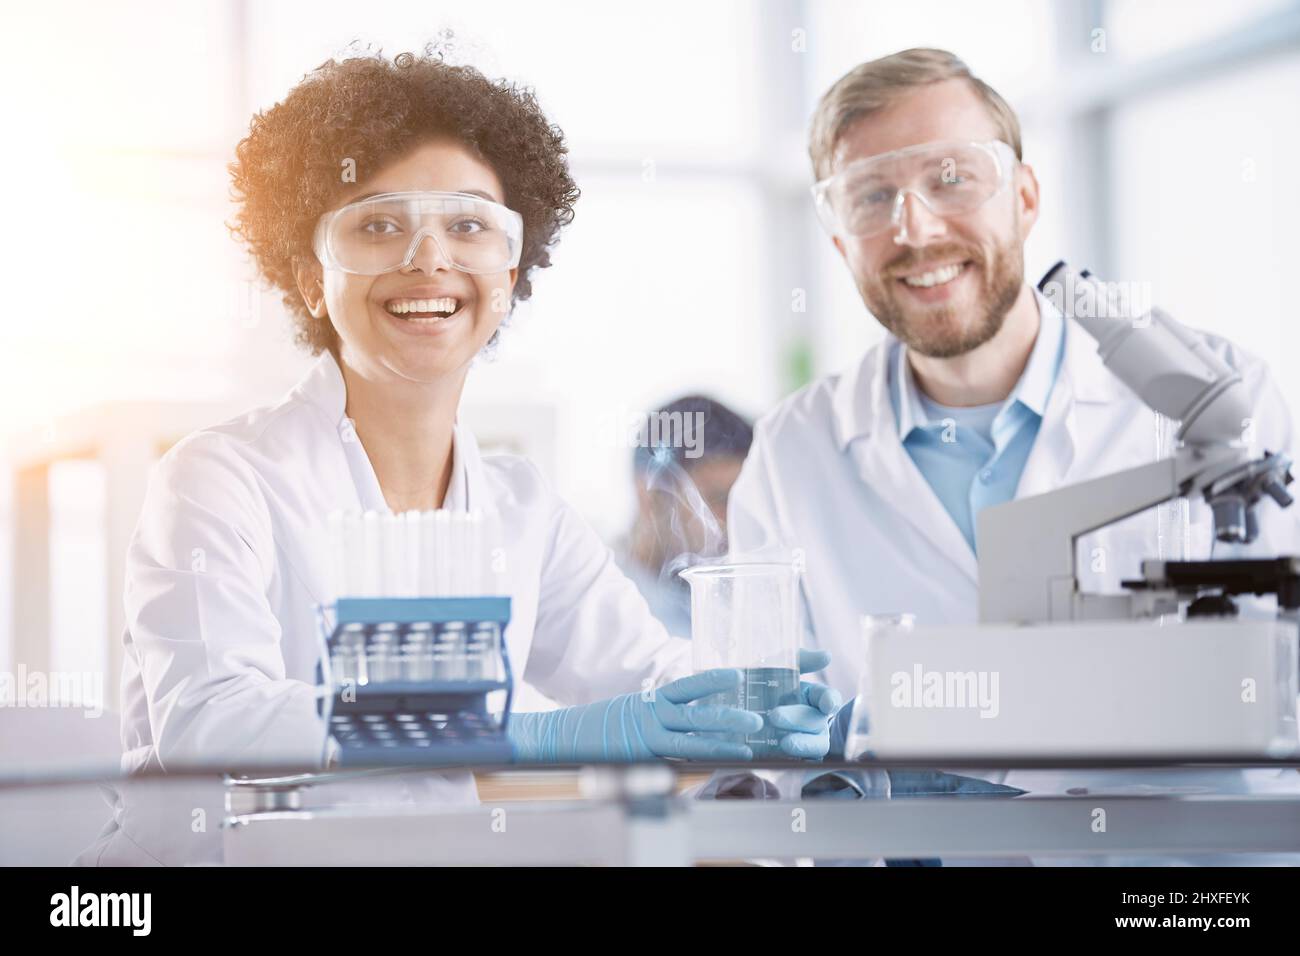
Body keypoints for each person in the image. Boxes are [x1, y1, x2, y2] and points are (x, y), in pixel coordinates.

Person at [79, 48, 836, 865]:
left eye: (468, 224)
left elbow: (644, 679)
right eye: (378, 224)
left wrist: (749, 703)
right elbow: (214, 721)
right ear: (307, 277)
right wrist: (516, 733)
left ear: (510, 269)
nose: (429, 258)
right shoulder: (220, 478)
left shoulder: (520, 507)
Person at [727, 48, 1300, 853]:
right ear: (836, 240)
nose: (915, 228)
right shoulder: (795, 452)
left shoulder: (1216, 394)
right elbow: (775, 750)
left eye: (952, 178)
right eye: (872, 196)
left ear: (1025, 198)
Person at [614, 395, 754, 637]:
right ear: (651, 496)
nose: (731, 519)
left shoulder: (735, 602)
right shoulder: (605, 607)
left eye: (741, 501)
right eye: (718, 498)